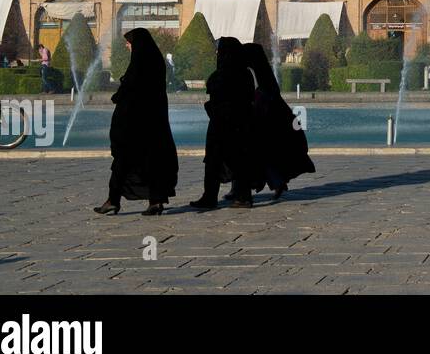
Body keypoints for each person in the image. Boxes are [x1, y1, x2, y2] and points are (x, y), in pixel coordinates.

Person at [94, 29, 179, 216]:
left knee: (123, 161)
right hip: (154, 122)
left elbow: (131, 89)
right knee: (152, 160)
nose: (127, 45)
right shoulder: (155, 60)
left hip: (135, 123)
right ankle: (155, 202)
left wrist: (118, 96)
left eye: (129, 42)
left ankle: (113, 200)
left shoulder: (140, 62)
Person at [191, 37, 258, 210]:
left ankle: (242, 197)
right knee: (214, 161)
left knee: (234, 159)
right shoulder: (242, 73)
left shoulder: (233, 73)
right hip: (226, 123)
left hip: (231, 123)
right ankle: (210, 196)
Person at [244, 42, 314, 201]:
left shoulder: (257, 77)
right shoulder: (264, 76)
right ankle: (276, 183)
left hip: (270, 124)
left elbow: (263, 104)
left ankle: (272, 183)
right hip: (278, 122)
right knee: (267, 155)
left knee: (263, 154)